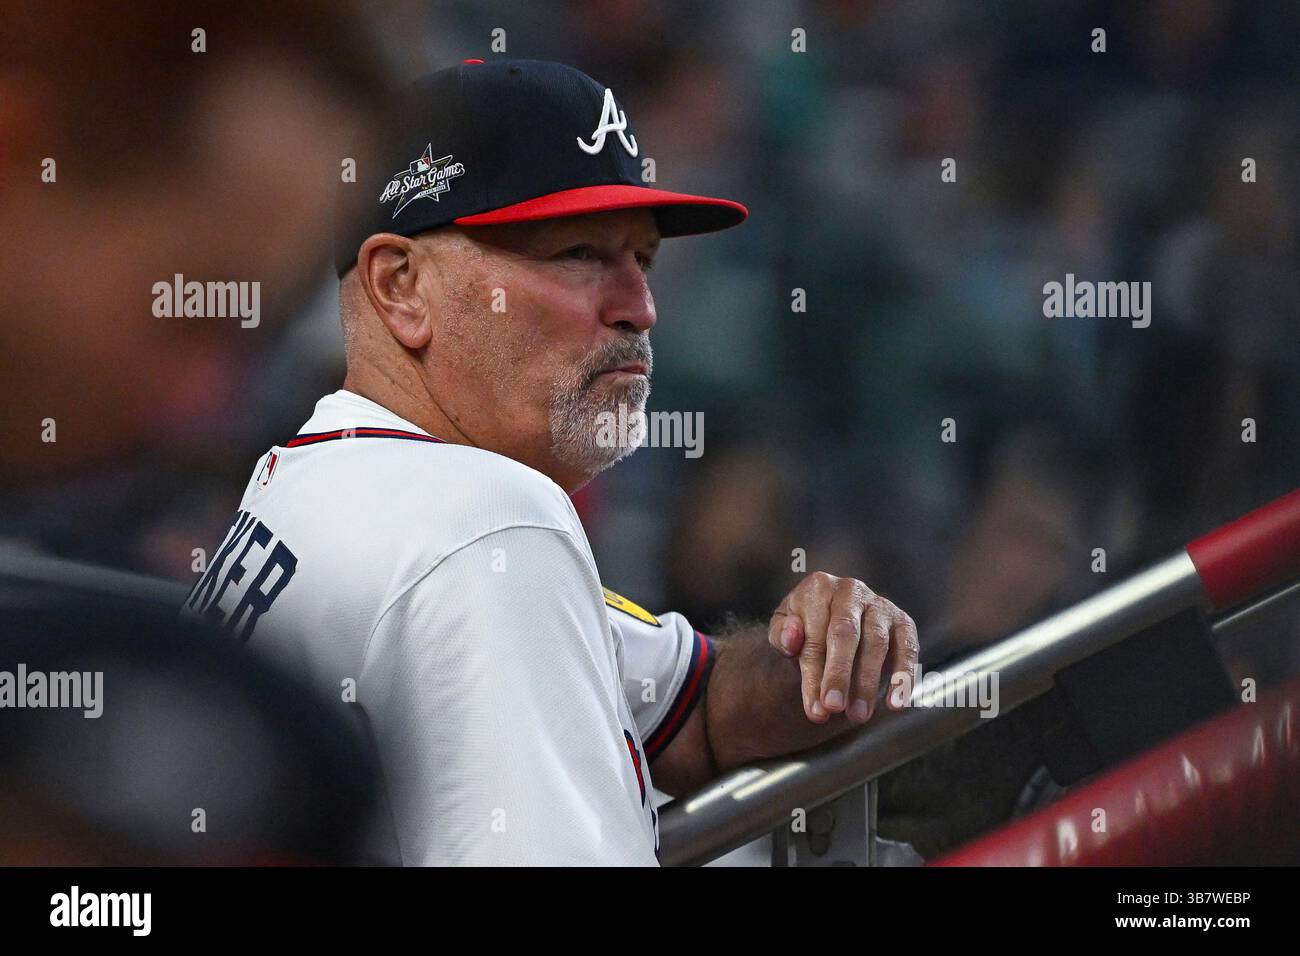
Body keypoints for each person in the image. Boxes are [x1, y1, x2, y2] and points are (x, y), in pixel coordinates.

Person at [186, 59, 919, 865]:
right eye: (577, 252)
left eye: (642, 259)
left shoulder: (321, 480)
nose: (639, 307)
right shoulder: (480, 526)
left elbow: (695, 710)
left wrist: (823, 659)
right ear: (401, 287)